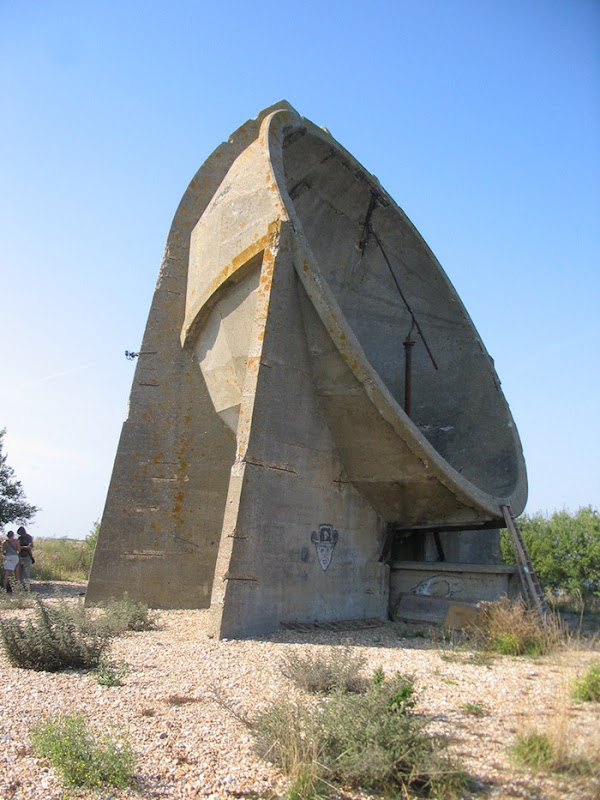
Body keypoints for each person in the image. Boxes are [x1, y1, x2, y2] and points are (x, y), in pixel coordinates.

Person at [17, 526, 34, 590]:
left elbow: (30, 547)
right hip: (20, 556)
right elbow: (18, 547)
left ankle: (26, 587)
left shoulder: (29, 537)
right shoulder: (19, 538)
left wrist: (21, 547)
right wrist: (25, 547)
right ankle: (21, 586)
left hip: (27, 556)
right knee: (20, 572)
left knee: (26, 572)